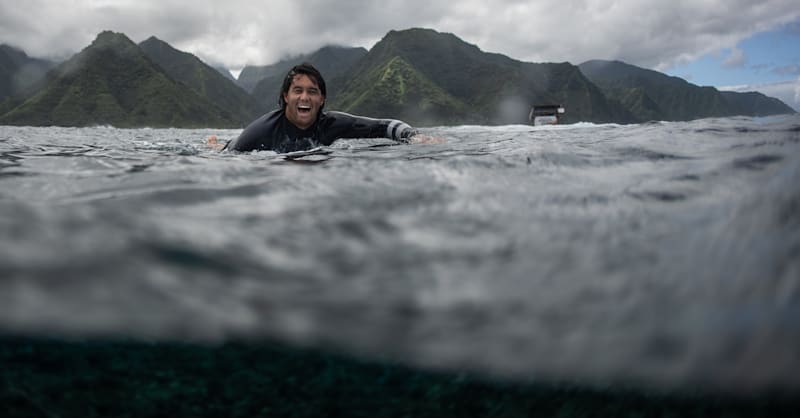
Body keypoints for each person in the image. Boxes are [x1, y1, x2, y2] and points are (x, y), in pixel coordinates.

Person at [211, 62, 440, 153]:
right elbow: (228, 161)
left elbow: (383, 125)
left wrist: (413, 136)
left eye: (312, 91)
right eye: (297, 90)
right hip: (231, 148)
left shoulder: (331, 124)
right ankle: (214, 142)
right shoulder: (258, 133)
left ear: (322, 99)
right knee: (220, 147)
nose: (305, 97)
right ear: (285, 97)